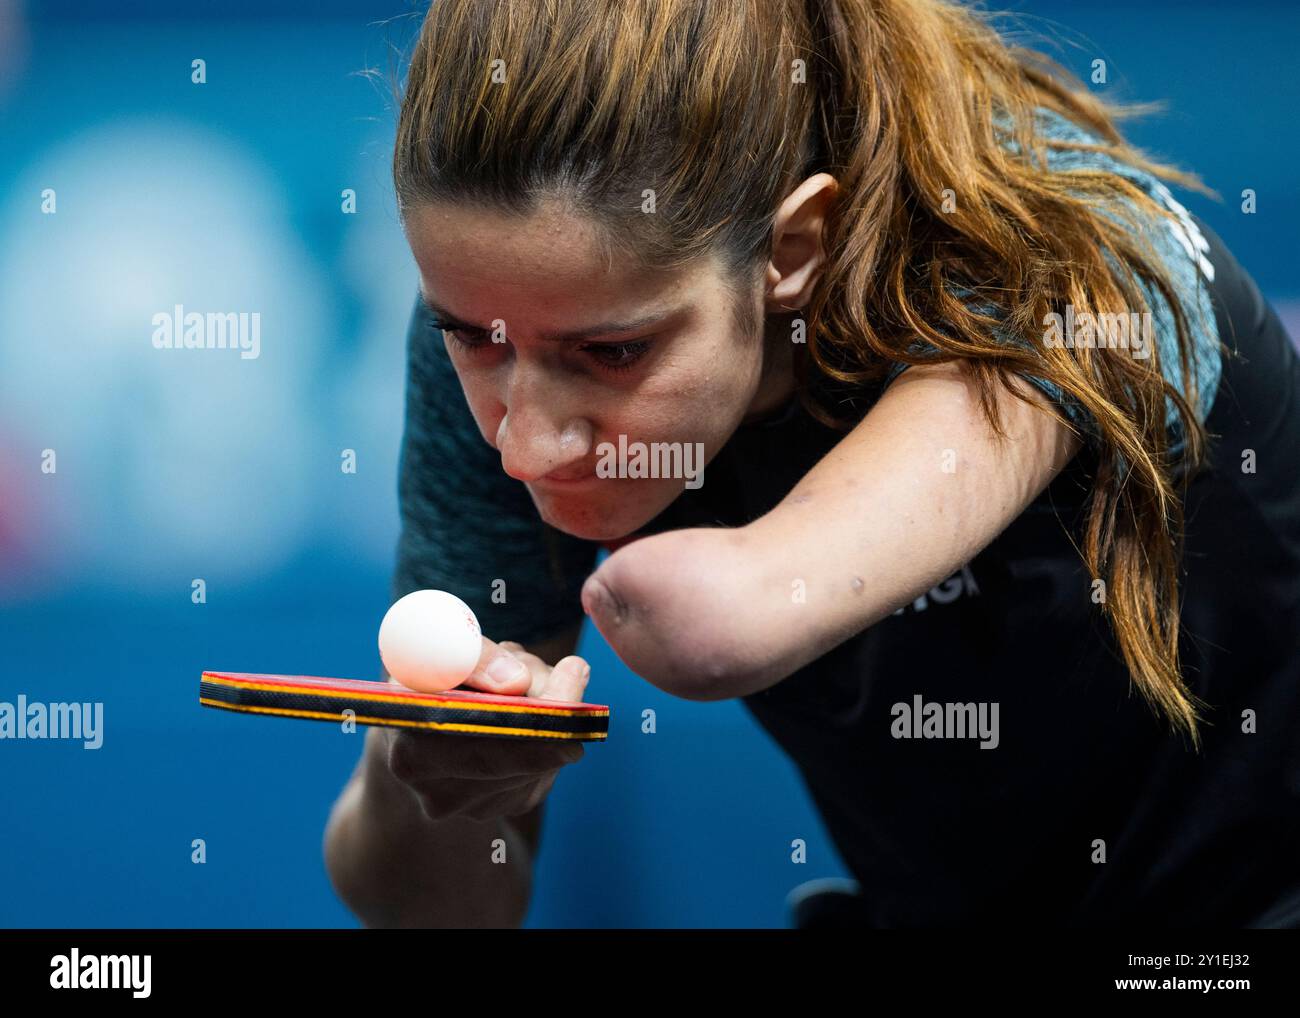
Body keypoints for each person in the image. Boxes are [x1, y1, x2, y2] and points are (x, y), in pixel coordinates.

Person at [324, 0, 1300, 928]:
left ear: (791, 248)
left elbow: (722, 615)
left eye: (614, 354)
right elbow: (437, 910)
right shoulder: (525, 314)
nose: (525, 442)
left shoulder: (1074, 263)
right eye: (473, 340)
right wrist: (436, 772)